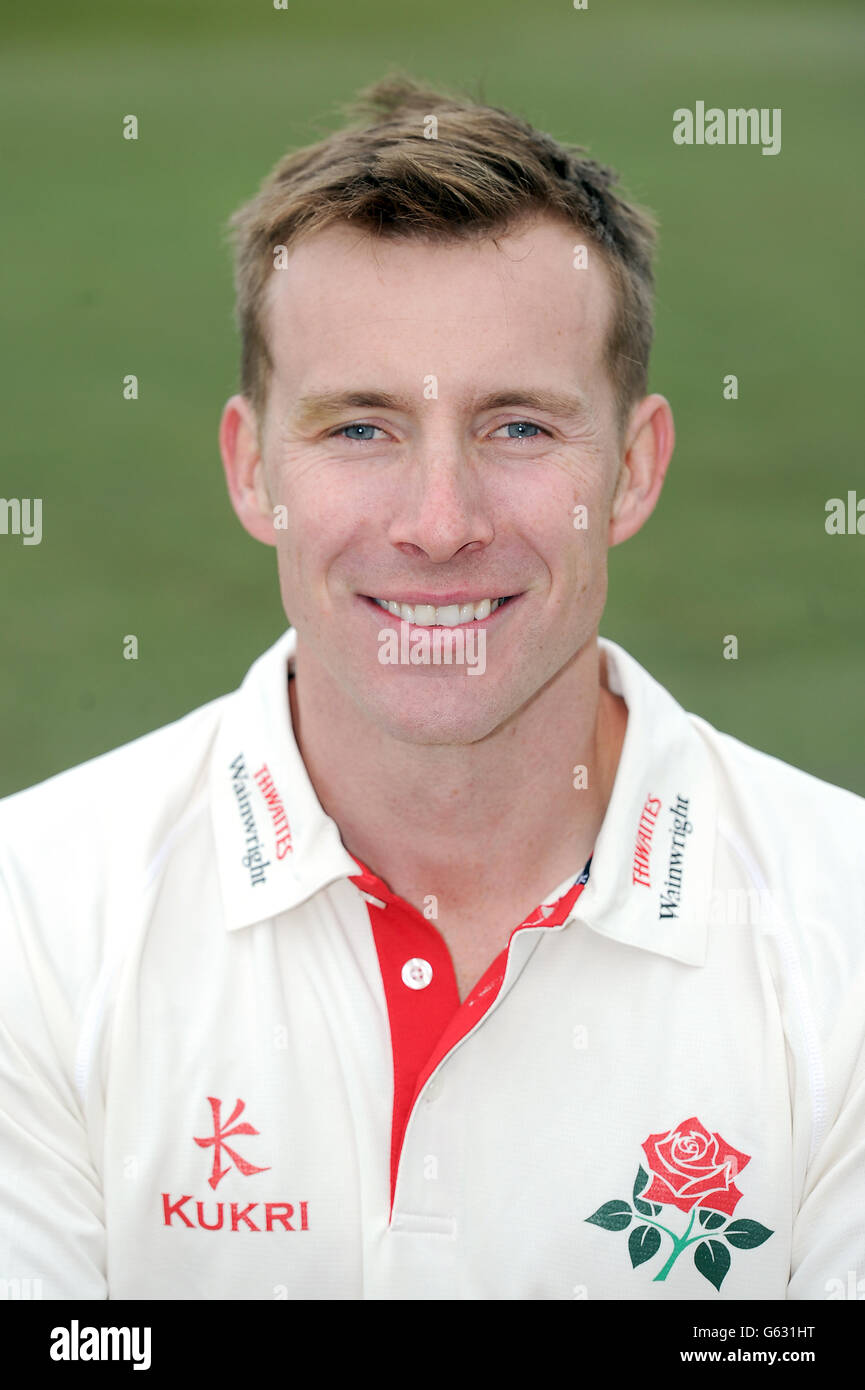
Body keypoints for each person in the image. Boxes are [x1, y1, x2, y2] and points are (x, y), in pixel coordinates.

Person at [1, 74, 862, 1303]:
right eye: (360, 429)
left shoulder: (844, 936)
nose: (440, 523)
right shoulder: (30, 917)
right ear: (254, 472)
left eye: (518, 427)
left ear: (632, 470)